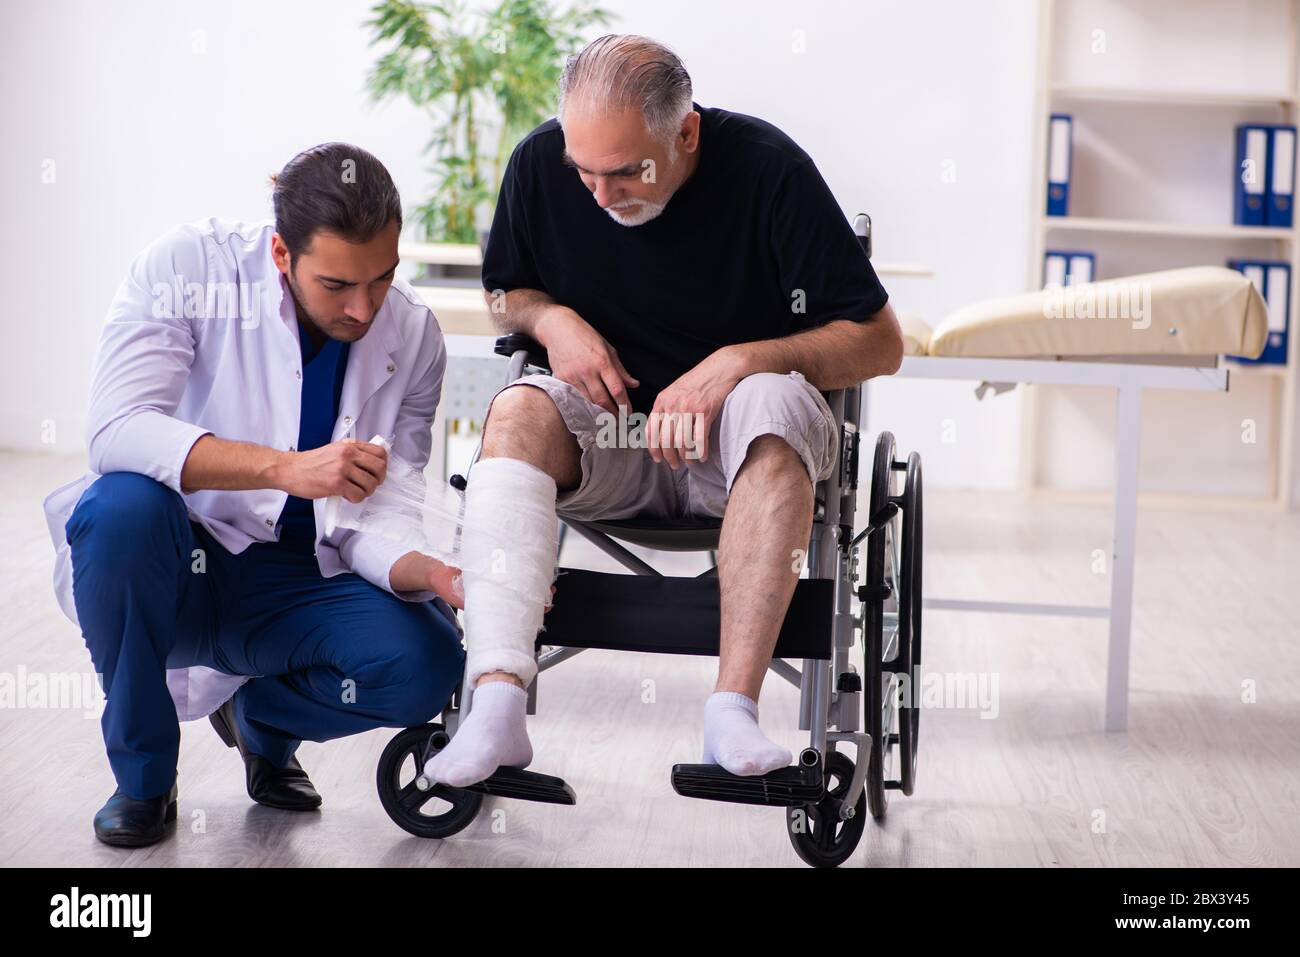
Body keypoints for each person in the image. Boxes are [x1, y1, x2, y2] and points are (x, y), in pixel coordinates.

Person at [420, 35, 902, 789]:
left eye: (623, 173)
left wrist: (743, 360)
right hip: (604, 441)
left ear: (686, 133)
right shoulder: (541, 165)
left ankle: (731, 713)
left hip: (736, 457)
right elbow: (501, 294)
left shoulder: (769, 171)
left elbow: (880, 341)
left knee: (774, 398)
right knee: (513, 408)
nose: (601, 196)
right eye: (584, 173)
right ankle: (496, 707)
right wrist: (551, 320)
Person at [43, 143, 466, 847]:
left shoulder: (414, 334)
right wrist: (285, 469)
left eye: (382, 279)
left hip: (305, 582)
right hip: (178, 567)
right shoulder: (187, 268)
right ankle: (144, 778)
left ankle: (264, 722)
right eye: (336, 285)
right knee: (119, 509)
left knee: (426, 663)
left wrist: (433, 570)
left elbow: (384, 505)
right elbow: (116, 430)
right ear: (280, 253)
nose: (363, 308)